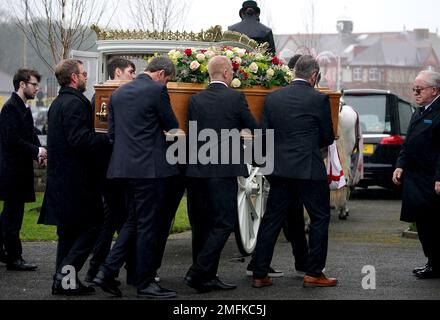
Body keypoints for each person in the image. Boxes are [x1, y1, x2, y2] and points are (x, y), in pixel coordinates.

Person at [93, 56, 179, 299]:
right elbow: (172, 126)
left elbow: (111, 133)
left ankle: (107, 272)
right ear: (161, 74)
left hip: (122, 168)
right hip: (149, 170)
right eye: (168, 81)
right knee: (148, 226)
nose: (166, 85)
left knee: (133, 222)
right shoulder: (157, 91)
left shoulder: (118, 93)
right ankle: (146, 283)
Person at [250, 55, 337, 288]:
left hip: (280, 169)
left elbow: (264, 134)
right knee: (319, 218)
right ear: (314, 76)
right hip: (308, 168)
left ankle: (259, 272)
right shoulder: (319, 99)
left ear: (294, 72)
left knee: (272, 220)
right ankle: (314, 272)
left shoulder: (273, 98)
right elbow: (327, 136)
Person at [184, 55, 257, 293]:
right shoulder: (236, 97)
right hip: (223, 170)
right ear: (226, 73)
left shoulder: (195, 99)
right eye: (232, 72)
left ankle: (206, 277)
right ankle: (197, 272)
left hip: (196, 170)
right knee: (224, 223)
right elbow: (252, 127)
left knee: (201, 225)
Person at [38, 59, 110, 295]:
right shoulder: (74, 104)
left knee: (68, 234)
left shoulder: (59, 102)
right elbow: (79, 139)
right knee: (93, 226)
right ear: (73, 78)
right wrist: (108, 138)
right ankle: (63, 275)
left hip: (63, 180)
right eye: (83, 73)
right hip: (77, 181)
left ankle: (64, 282)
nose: (86, 76)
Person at [84, 57, 136, 283]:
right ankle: (110, 270)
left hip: (111, 169)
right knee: (123, 220)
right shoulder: (106, 96)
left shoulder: (108, 95)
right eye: (130, 72)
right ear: (117, 72)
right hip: (113, 169)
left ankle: (102, 269)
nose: (133, 76)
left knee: (116, 219)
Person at [393, 70, 440, 279]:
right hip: (415, 179)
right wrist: (400, 165)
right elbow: (408, 142)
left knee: (433, 224)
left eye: (419, 89)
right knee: (423, 223)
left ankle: (436, 264)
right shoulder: (419, 111)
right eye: (414, 89)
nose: (415, 93)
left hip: (431, 180)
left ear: (434, 90)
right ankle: (432, 262)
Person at [0, 69, 46, 271]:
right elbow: (13, 140)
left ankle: (6, 253)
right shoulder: (11, 108)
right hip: (12, 172)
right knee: (13, 216)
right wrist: (37, 150)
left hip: (18, 171)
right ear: (22, 84)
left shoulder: (22, 108)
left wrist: (40, 153)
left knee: (10, 215)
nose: (37, 88)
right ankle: (14, 258)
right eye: (34, 84)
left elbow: (30, 135)